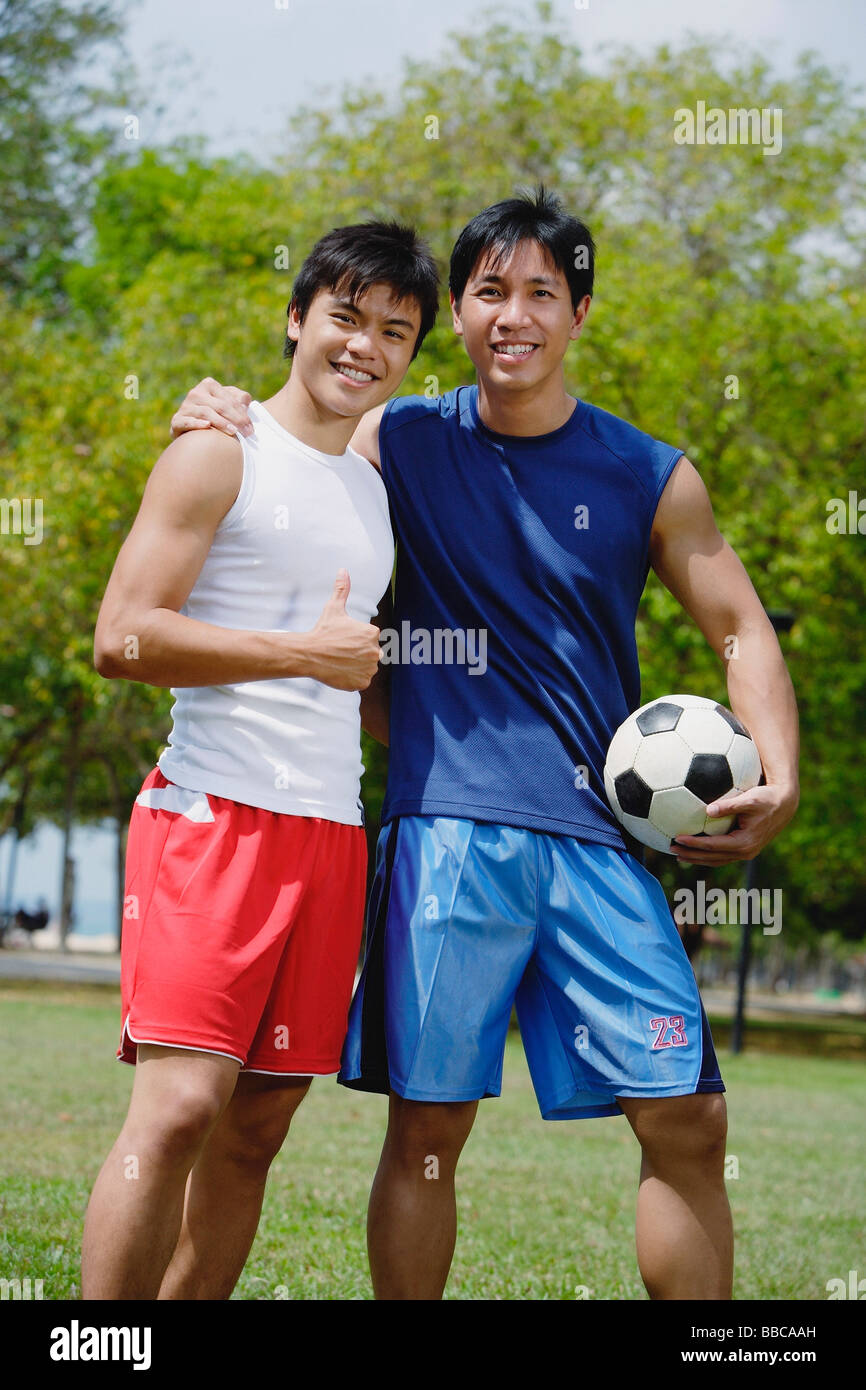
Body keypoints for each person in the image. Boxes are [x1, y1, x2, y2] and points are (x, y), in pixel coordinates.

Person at [171, 188, 800, 1301]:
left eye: (540, 293)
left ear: (579, 311)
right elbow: (293, 445)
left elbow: (739, 624)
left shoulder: (647, 471)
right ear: (454, 315)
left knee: (689, 1116)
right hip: (446, 837)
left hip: (602, 841)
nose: (513, 315)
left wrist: (779, 777)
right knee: (427, 1127)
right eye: (487, 291)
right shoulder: (400, 438)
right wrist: (218, 405)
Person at [81, 220, 440, 1299]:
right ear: (296, 319)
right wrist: (300, 653)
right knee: (182, 1106)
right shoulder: (216, 448)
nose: (363, 346)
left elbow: (360, 680)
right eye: (344, 316)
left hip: (328, 837)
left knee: (258, 1127)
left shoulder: (376, 488)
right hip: (212, 822)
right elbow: (122, 635)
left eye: (394, 329)